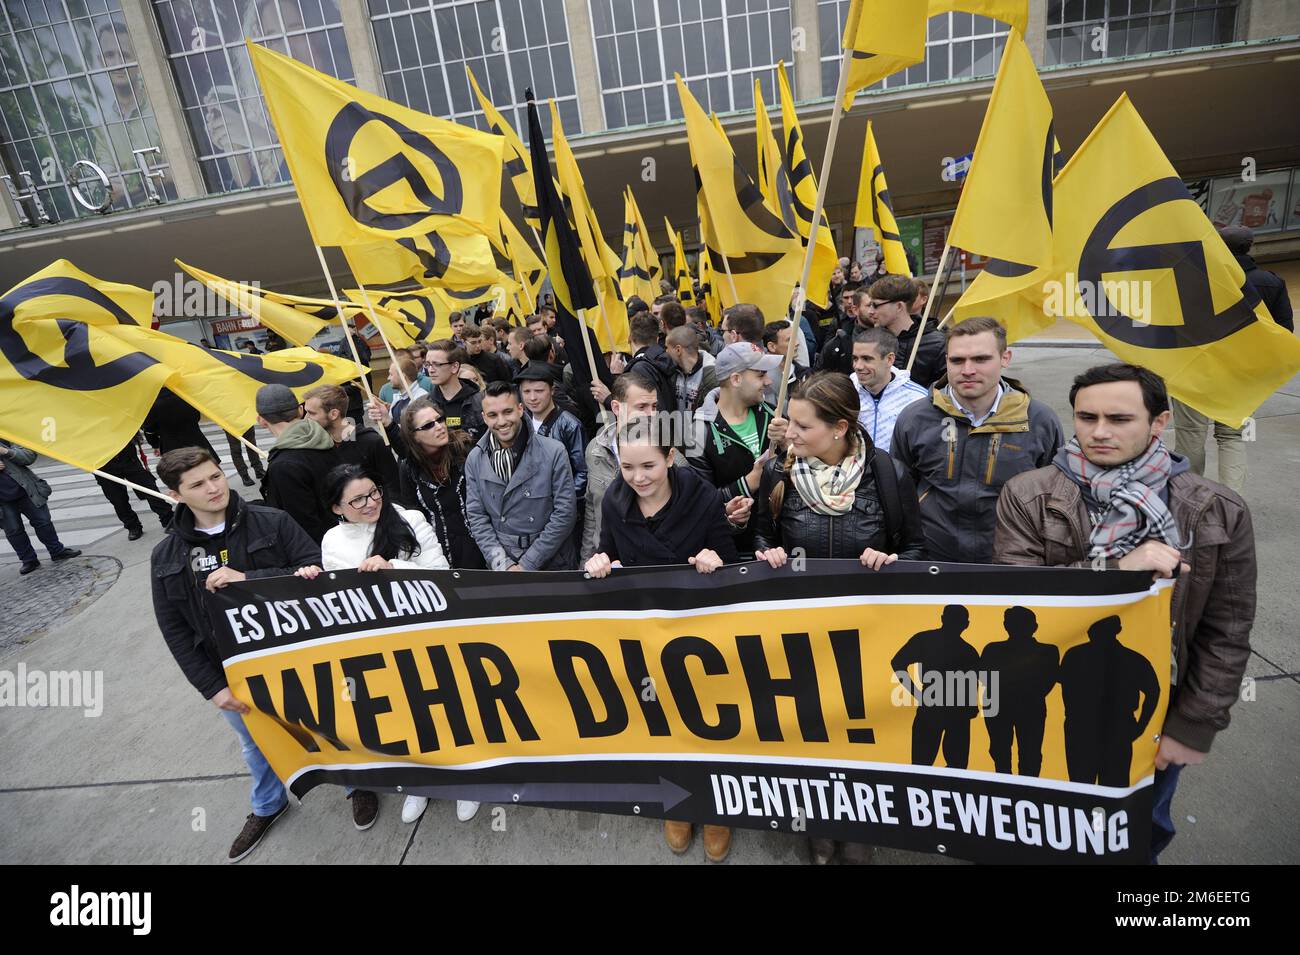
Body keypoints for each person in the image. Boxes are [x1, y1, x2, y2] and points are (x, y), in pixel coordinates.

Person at [993, 362, 1256, 860]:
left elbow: (1227, 629)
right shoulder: (1028, 493)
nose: (1099, 432)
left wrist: (1195, 725)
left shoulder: (1218, 509)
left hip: (1154, 714)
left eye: (1119, 419)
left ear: (1159, 423)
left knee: (1139, 829)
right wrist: (1114, 568)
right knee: (1043, 821)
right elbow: (1018, 600)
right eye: (1086, 417)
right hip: (1052, 699)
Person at [149, 446, 372, 861]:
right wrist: (211, 688)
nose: (214, 488)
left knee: (330, 724)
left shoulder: (272, 519)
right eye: (197, 484)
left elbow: (314, 572)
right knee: (256, 744)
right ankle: (268, 805)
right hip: (231, 675)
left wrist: (249, 578)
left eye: (215, 476)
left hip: (298, 660)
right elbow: (174, 628)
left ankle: (356, 784)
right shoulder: (166, 555)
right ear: (176, 495)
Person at [748, 372, 926, 866]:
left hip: (869, 640)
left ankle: (859, 828)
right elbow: (760, 537)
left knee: (862, 732)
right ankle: (818, 829)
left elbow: (914, 549)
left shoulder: (888, 475)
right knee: (810, 731)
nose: (791, 434)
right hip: (800, 636)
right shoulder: (780, 474)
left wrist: (892, 564)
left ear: (841, 427)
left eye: (803, 427)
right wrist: (769, 555)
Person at [584, 416, 739, 864]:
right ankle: (679, 803)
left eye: (648, 466)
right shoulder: (615, 502)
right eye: (628, 468)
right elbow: (607, 551)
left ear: (670, 458)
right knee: (663, 723)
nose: (638, 478)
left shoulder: (703, 496)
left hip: (702, 634)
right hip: (648, 635)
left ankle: (715, 809)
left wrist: (715, 560)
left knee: (711, 722)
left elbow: (730, 563)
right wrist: (601, 563)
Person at [296, 464, 481, 827]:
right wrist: (310, 581)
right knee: (404, 713)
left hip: (428, 633)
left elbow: (442, 573)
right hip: (378, 646)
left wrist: (394, 566)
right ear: (336, 508)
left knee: (448, 706)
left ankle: (466, 778)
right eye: (358, 500)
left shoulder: (408, 518)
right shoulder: (332, 542)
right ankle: (419, 780)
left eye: (375, 492)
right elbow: (336, 598)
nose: (371, 503)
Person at [891, 316, 1063, 564]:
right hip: (932, 560)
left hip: (1012, 562)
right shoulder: (914, 418)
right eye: (957, 360)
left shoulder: (1040, 421)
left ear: (1005, 358)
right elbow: (900, 491)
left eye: (981, 359)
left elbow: (1055, 498)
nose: (968, 370)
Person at [464, 381, 577, 571]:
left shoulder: (553, 452)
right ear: (484, 418)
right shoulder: (475, 458)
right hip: (503, 565)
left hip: (552, 562)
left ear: (520, 409)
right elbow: (477, 517)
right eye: (493, 415)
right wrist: (504, 565)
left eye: (507, 412)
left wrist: (527, 564)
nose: (501, 421)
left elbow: (564, 514)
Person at [580, 369, 671, 563]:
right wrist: (586, 561)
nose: (651, 414)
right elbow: (592, 508)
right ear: (616, 407)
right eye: (642, 407)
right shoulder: (595, 449)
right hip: (606, 562)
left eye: (654, 407)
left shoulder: (668, 453)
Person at [397, 398, 485, 568]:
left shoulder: (467, 451)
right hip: (439, 555)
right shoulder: (409, 467)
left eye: (439, 419)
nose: (439, 426)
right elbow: (414, 516)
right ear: (414, 436)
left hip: (479, 548)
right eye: (428, 425)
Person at [256, 384, 341, 544]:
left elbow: (301, 525)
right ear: (300, 410)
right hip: (342, 534)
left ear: (261, 420)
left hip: (318, 554)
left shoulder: (283, 465)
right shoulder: (324, 439)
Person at [517, 363, 587, 550]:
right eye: (527, 391)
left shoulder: (569, 424)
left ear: (552, 390)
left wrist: (562, 502)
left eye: (539, 391)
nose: (532, 397)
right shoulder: (519, 422)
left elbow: (582, 472)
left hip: (560, 512)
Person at [0, 441, 82, 575]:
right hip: (3, 501)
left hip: (27, 490)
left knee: (43, 521)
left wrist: (6, 452)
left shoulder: (5, 436)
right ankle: (29, 560)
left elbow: (29, 456)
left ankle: (57, 551)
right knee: (13, 530)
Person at [303, 384, 399, 496]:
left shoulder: (371, 442)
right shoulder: (316, 445)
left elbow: (393, 488)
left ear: (334, 414)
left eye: (312, 413)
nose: (306, 419)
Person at [851, 327, 928, 454]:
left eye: (867, 359)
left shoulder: (918, 399)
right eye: (855, 358)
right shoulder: (844, 390)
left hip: (897, 472)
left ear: (889, 359)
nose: (858, 366)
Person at [863, 275, 946, 390]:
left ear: (898, 306)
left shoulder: (937, 343)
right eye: (869, 305)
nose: (870, 312)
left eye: (876, 305)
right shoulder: (871, 341)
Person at [93, 435, 174, 540]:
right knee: (117, 499)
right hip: (100, 462)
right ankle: (133, 526)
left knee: (149, 487)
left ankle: (168, 518)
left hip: (125, 453)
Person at [420, 339, 485, 440]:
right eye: (428, 364)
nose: (431, 370)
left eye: (437, 364)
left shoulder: (480, 401)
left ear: (454, 367)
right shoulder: (426, 404)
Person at [143, 387, 217, 456]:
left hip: (171, 447)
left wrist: (155, 445)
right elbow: (196, 417)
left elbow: (149, 429)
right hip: (197, 441)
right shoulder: (186, 397)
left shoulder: (152, 404)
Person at [817, 287, 871, 375]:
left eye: (876, 305)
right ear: (855, 309)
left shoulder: (889, 332)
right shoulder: (840, 337)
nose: (873, 311)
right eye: (869, 306)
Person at [664, 325, 717, 415]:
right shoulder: (672, 371)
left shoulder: (712, 376)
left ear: (678, 350)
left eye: (667, 347)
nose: (665, 352)